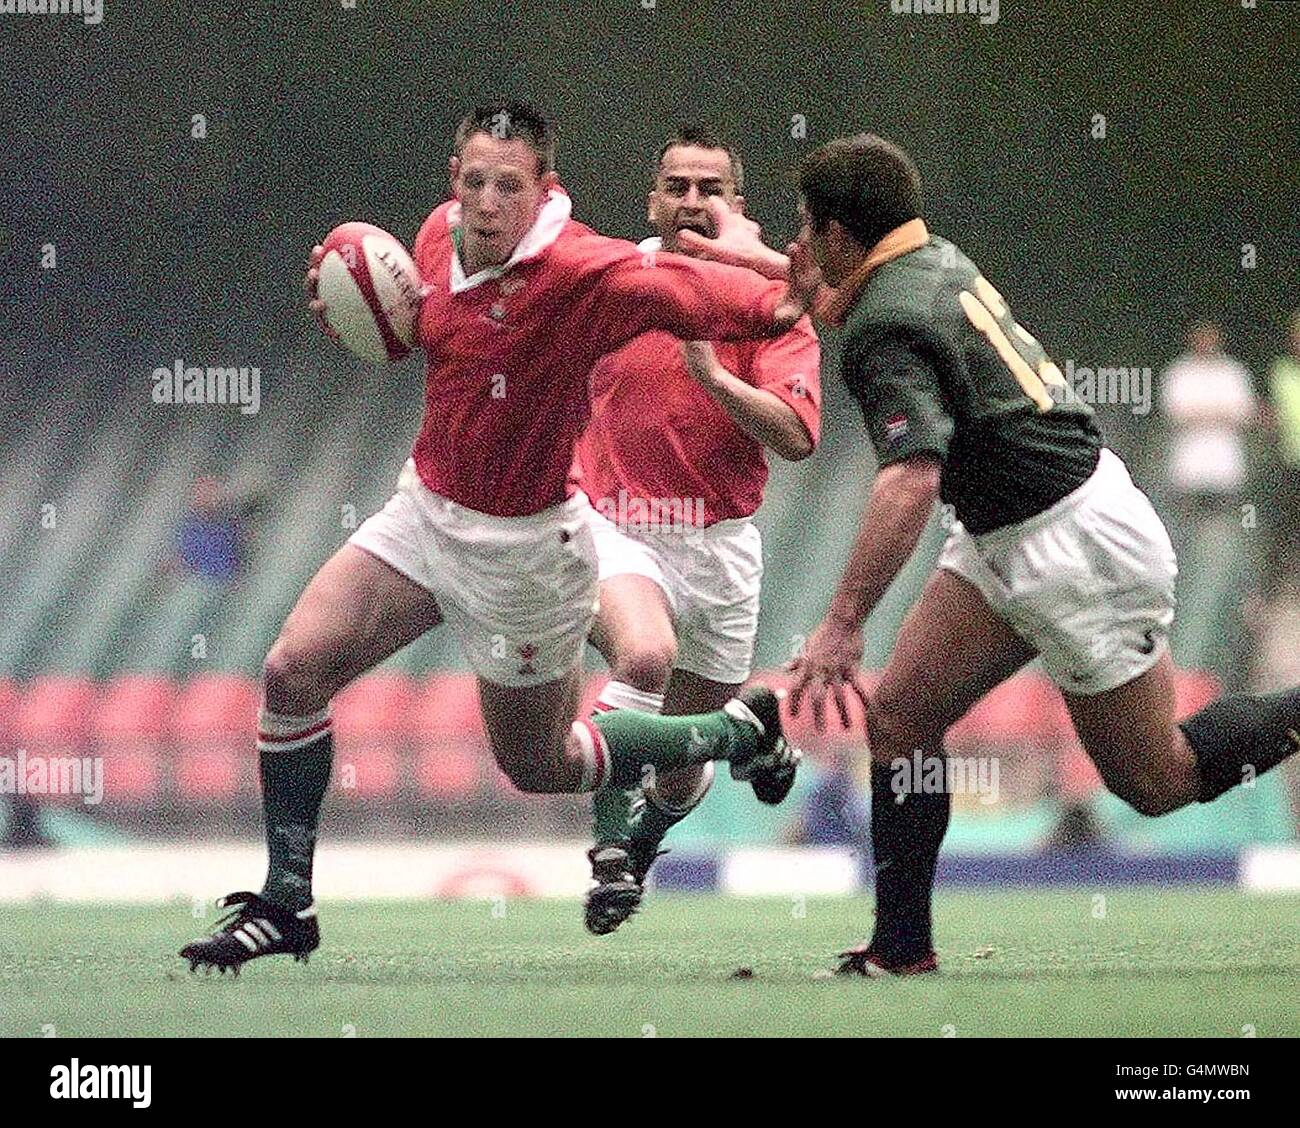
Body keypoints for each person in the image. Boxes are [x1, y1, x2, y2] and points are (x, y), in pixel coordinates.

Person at [179, 101, 821, 972]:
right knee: (293, 669)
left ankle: (737, 735)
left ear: (542, 192)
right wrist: (351, 302)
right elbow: (418, 336)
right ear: (454, 182)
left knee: (545, 764)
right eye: (473, 181)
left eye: (507, 187)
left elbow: (786, 305)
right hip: (425, 512)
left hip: (525, 552)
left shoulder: (592, 276)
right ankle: (287, 901)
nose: (486, 202)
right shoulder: (436, 238)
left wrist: (748, 250)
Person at [683, 133, 1300, 976]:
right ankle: (903, 950)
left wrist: (840, 623)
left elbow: (908, 481)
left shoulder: (887, 326)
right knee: (899, 720)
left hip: (1075, 550)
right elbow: (846, 299)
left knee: (1157, 780)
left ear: (836, 235)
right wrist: (754, 255)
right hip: (1017, 528)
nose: (793, 240)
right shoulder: (924, 257)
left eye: (801, 225)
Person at [575, 126, 822, 934]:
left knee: (678, 774)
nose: (690, 200)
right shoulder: (615, 283)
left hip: (720, 545)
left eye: (708, 188)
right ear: (652, 200)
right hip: (620, 527)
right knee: (642, 657)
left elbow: (794, 434)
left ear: (735, 206)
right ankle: (609, 854)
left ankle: (653, 830)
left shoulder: (769, 303)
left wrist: (713, 378)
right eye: (675, 185)